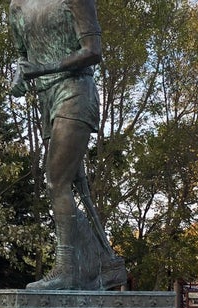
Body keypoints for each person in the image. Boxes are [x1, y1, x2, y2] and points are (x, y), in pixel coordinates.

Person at [9, 0, 125, 290]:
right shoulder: (17, 5)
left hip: (76, 91)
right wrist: (20, 77)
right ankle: (106, 263)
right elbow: (23, 58)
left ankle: (67, 269)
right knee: (77, 185)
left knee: (57, 181)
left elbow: (93, 51)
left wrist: (41, 69)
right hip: (46, 98)